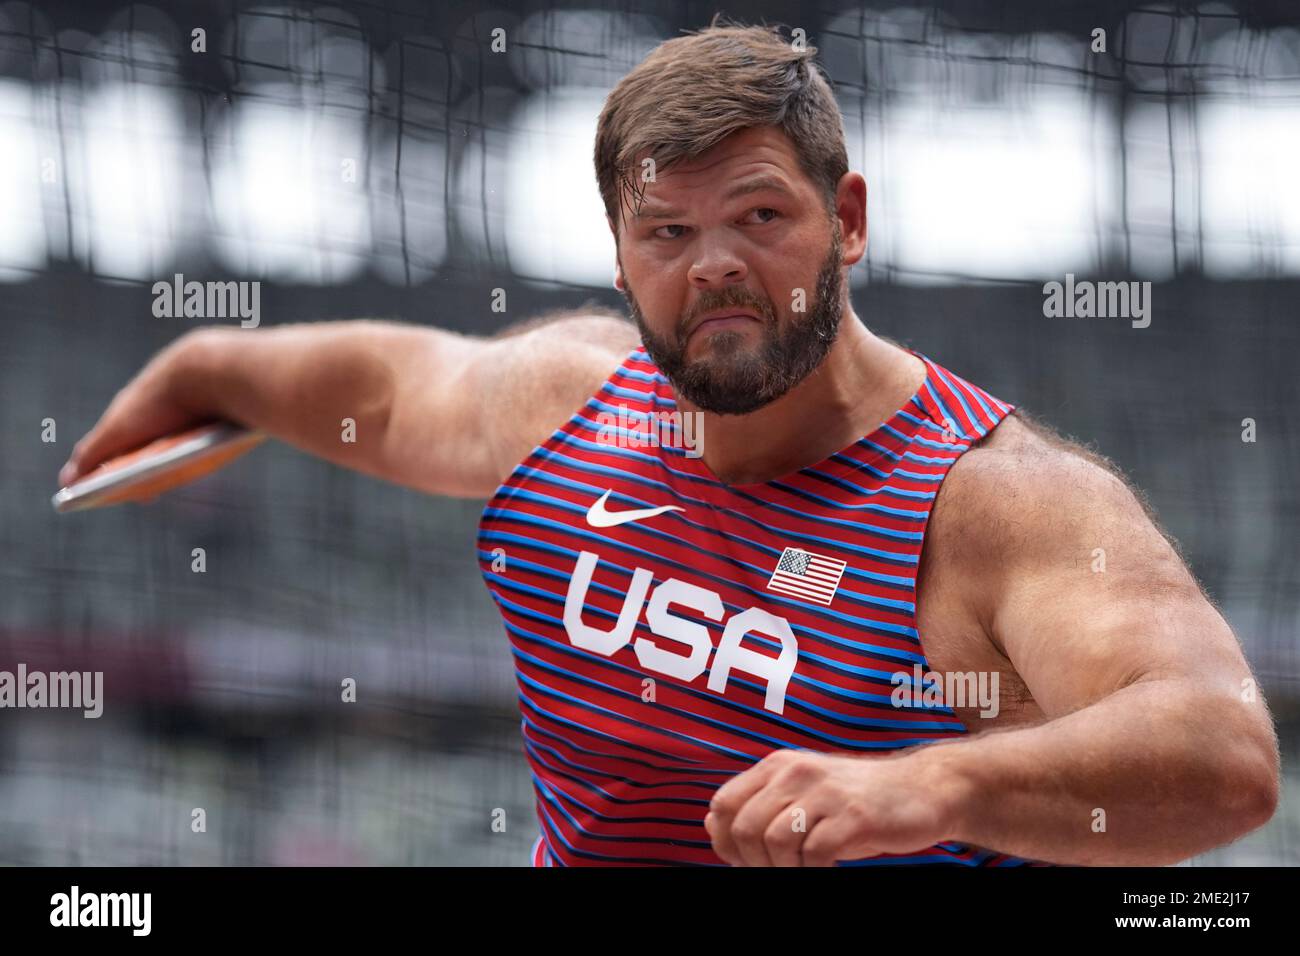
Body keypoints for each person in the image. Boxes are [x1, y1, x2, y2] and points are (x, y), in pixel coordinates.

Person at [59, 20, 1278, 867]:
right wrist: (202, 365)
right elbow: (385, 386)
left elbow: (1220, 748)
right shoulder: (563, 404)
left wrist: (928, 783)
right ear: (617, 252)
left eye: (759, 215)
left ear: (846, 221)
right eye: (667, 230)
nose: (716, 268)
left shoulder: (991, 501)